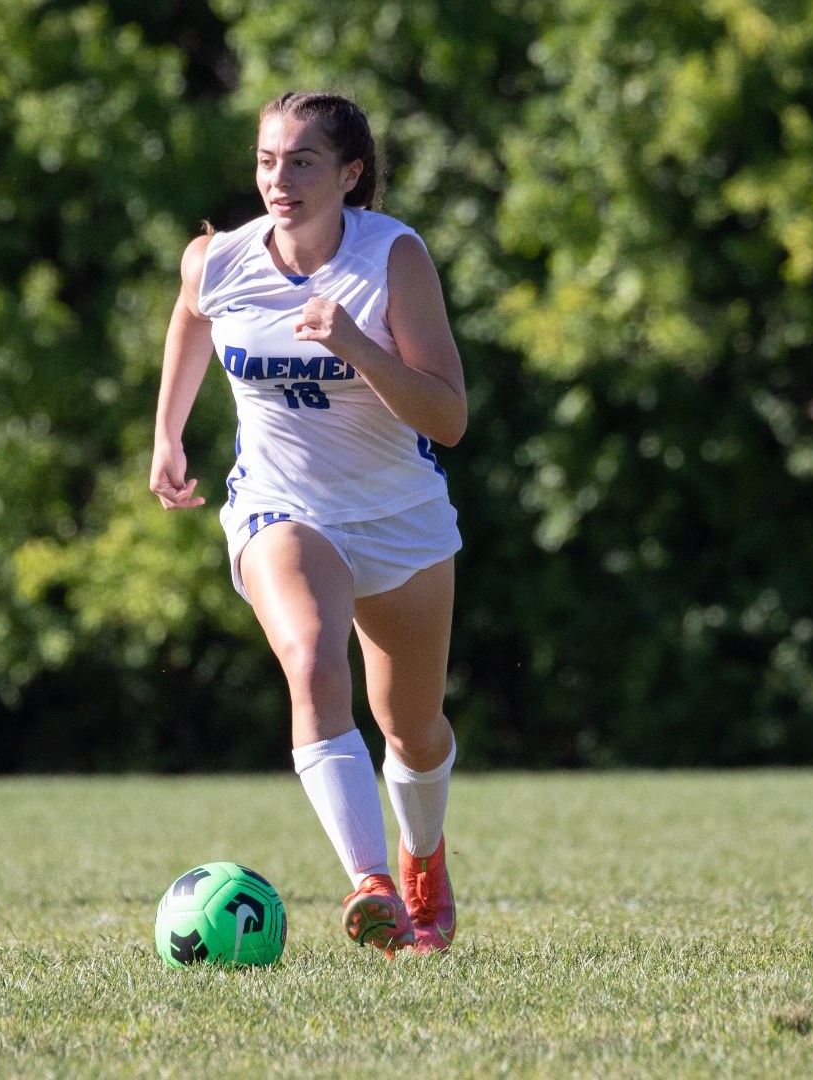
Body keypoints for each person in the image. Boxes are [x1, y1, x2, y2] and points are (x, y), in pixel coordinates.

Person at [150, 92, 468, 955]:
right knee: (310, 656)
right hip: (281, 506)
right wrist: (167, 433)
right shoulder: (220, 259)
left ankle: (422, 858)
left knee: (413, 729)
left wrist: (358, 348)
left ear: (350, 173)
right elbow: (191, 313)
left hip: (399, 517)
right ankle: (372, 888)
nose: (278, 180)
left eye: (302, 162)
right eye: (266, 161)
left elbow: (447, 417)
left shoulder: (393, 258)